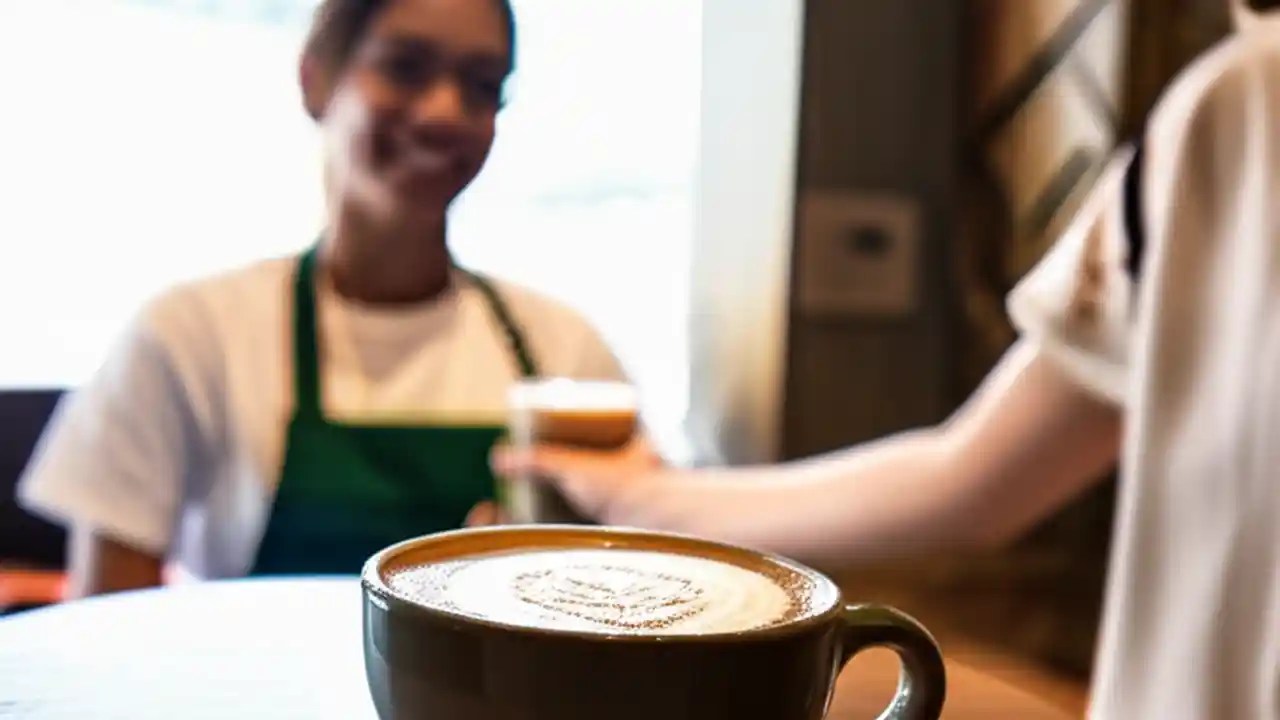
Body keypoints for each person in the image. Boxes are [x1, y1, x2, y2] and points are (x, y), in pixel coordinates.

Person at [494, 7, 1280, 718]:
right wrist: (650, 501)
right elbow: (972, 478)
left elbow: (974, 484)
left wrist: (652, 503)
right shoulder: (1213, 125)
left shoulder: (1236, 110)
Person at [18, 0, 638, 596]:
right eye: (405, 67)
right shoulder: (192, 335)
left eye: (480, 84)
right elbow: (107, 631)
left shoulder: (564, 353)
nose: (446, 111)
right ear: (315, 79)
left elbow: (628, 600)